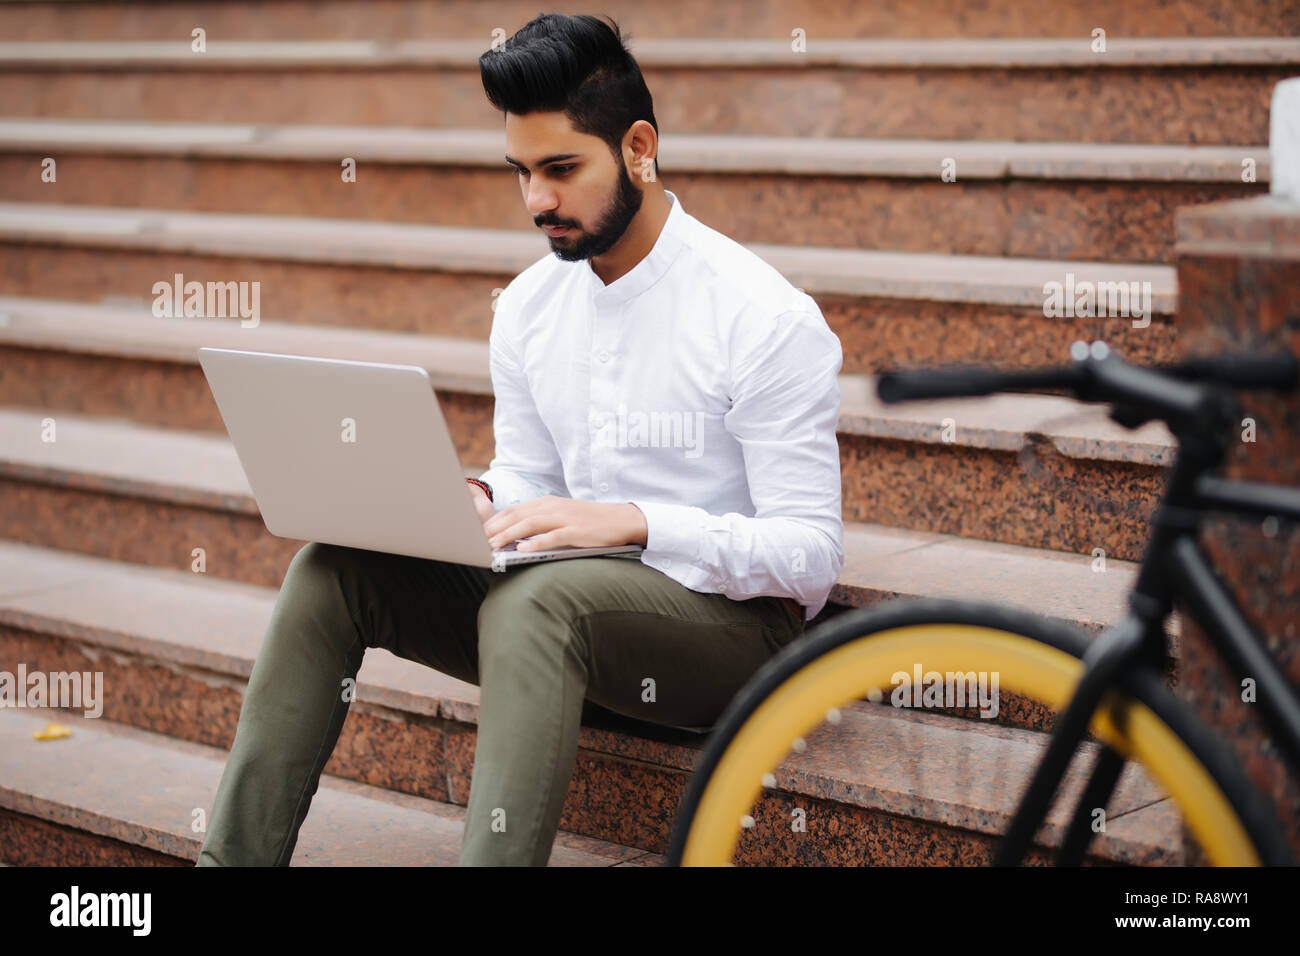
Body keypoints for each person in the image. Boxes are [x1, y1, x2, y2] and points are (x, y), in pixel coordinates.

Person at [196, 11, 843, 868]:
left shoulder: (763, 318)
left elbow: (811, 557)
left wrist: (636, 521)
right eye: (523, 172)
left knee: (538, 603)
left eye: (561, 169)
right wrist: (481, 500)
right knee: (331, 570)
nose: (537, 199)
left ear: (639, 149)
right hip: (558, 625)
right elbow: (531, 472)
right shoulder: (532, 307)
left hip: (727, 638)